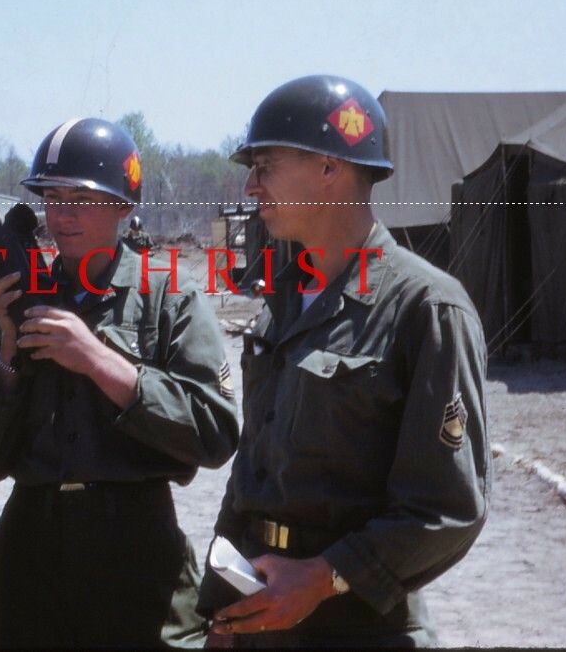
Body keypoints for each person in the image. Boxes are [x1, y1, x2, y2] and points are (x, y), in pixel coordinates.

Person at [199, 75, 491, 647]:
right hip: (260, 614)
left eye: (265, 165)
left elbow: (449, 509)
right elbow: (252, 471)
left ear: (330, 168)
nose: (253, 186)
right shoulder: (283, 299)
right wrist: (222, 612)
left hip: (360, 623)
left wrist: (323, 576)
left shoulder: (425, 307)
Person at [0, 117, 241, 648]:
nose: (62, 214)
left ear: (124, 206)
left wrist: (98, 360)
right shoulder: (24, 296)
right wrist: (8, 345)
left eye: (82, 198)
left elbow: (215, 433)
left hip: (136, 555)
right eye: (53, 197)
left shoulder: (169, 299)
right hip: (31, 559)